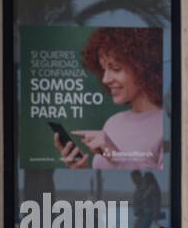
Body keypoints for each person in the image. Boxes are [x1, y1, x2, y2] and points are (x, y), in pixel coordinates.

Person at [56, 27, 165, 170]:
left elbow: (164, 187)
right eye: (103, 69)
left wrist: (117, 157)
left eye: (115, 68)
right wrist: (80, 169)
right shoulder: (113, 123)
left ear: (143, 67)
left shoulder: (167, 126)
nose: (105, 79)